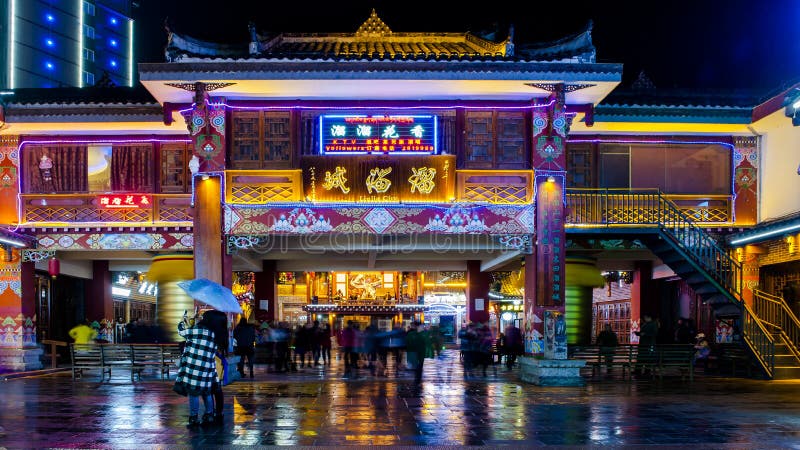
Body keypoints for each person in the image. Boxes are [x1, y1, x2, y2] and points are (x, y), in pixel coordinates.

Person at [173, 311, 217, 428]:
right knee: (207, 392)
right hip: (207, 367)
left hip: (195, 367)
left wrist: (182, 321)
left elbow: (181, 331)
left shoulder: (195, 331)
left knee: (194, 393)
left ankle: (194, 417)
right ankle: (209, 414)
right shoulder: (214, 333)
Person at [202, 310, 230, 424]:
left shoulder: (209, 332)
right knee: (217, 389)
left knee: (209, 389)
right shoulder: (222, 331)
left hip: (212, 361)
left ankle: (210, 411)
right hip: (219, 361)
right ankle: (218, 411)